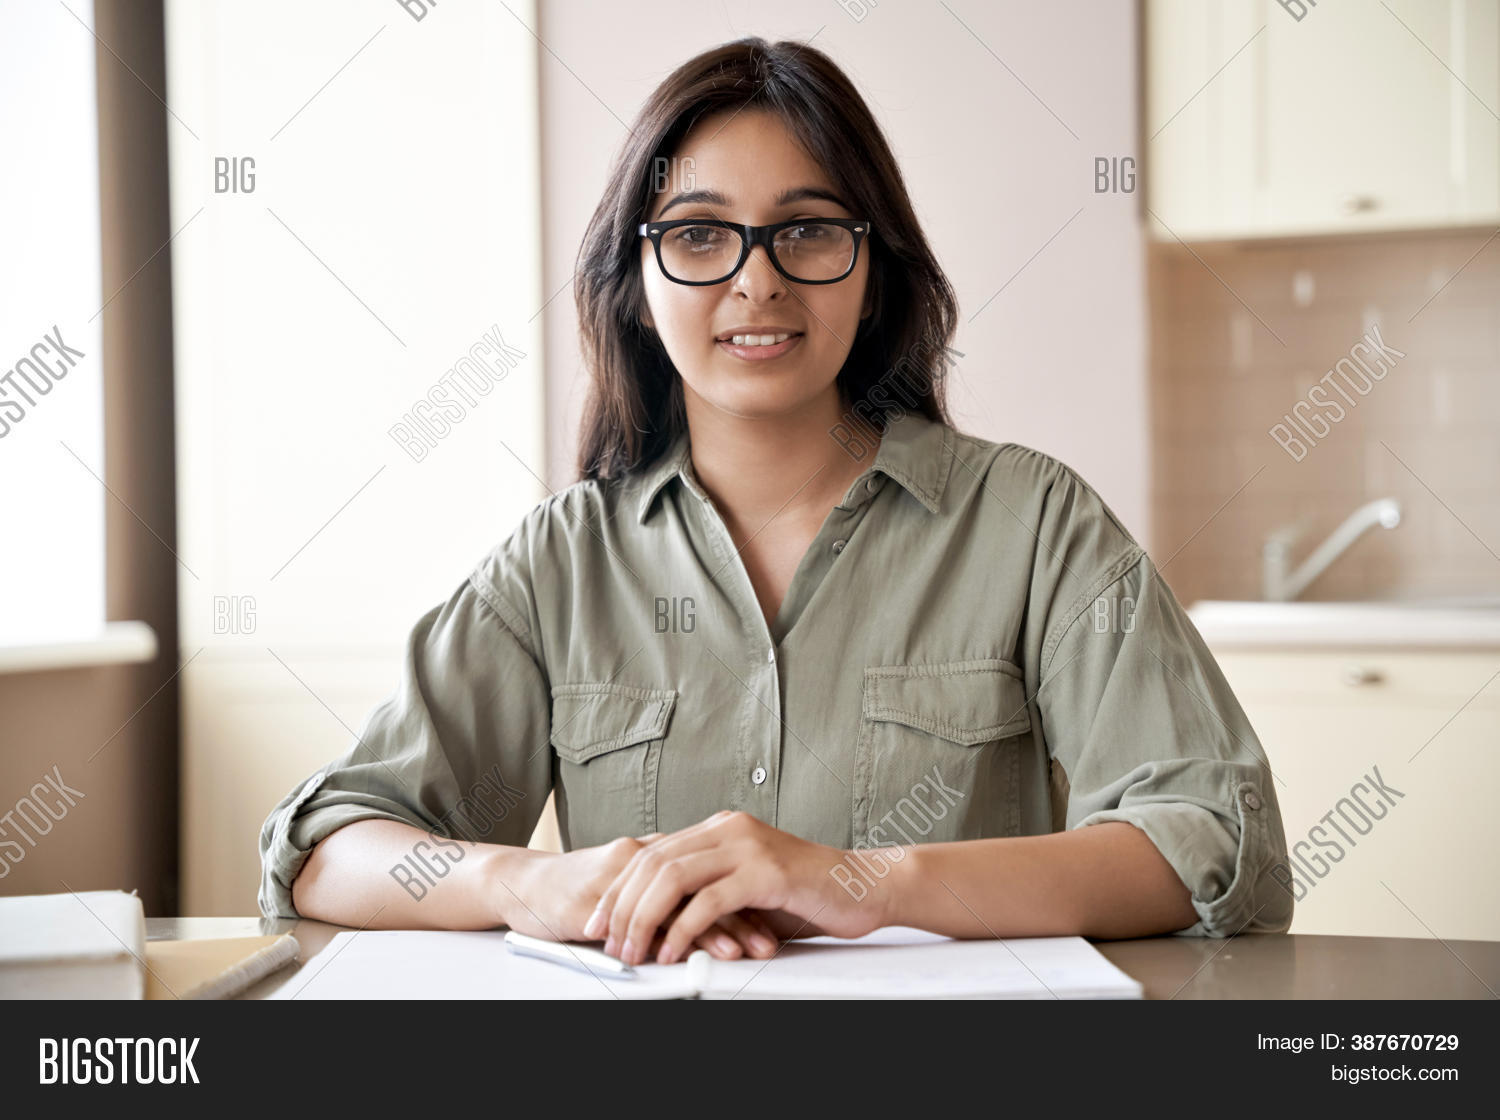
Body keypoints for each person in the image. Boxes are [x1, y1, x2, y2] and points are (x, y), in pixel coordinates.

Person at [259, 37, 1292, 969]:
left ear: (873, 271)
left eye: (805, 229)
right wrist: (529, 883)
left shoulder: (1033, 524)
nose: (757, 283)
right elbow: (325, 848)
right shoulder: (560, 562)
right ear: (637, 280)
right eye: (701, 236)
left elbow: (1213, 838)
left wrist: (856, 883)